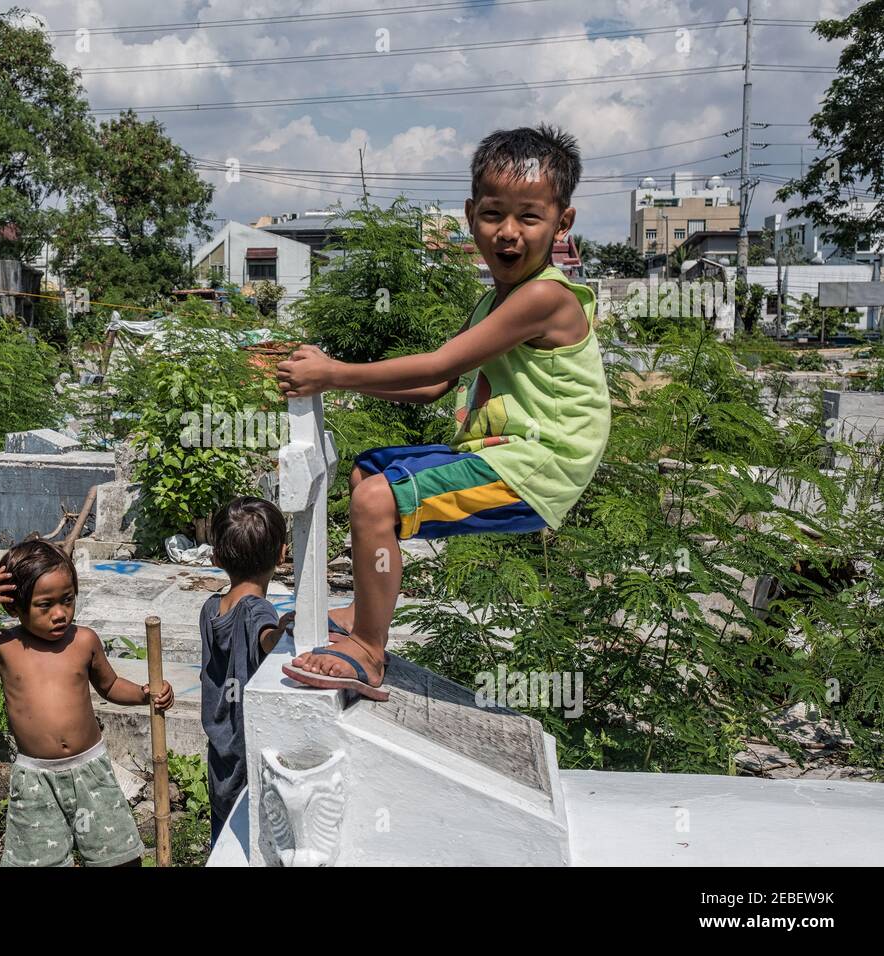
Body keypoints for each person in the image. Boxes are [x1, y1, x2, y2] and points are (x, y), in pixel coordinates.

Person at [275, 124, 611, 701]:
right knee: (367, 472)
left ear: (563, 223)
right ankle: (364, 608)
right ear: (468, 213)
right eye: (492, 214)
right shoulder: (494, 299)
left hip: (539, 465)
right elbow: (438, 387)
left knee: (374, 499)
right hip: (502, 453)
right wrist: (338, 383)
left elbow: (434, 367)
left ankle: (368, 653)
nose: (507, 233)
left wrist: (333, 373)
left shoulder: (545, 297)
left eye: (528, 217)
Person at [0, 540, 173, 866]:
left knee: (119, 858)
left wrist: (144, 693)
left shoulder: (83, 641)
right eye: (45, 605)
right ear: (13, 607)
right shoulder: (3, 645)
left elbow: (110, 686)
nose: (59, 614)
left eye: (67, 600)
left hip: (90, 771)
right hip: (36, 779)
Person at [199, 497, 294, 846]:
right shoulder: (258, 610)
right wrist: (283, 631)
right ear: (282, 554)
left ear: (216, 558)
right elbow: (265, 637)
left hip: (219, 757)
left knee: (223, 842)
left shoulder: (209, 609)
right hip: (248, 760)